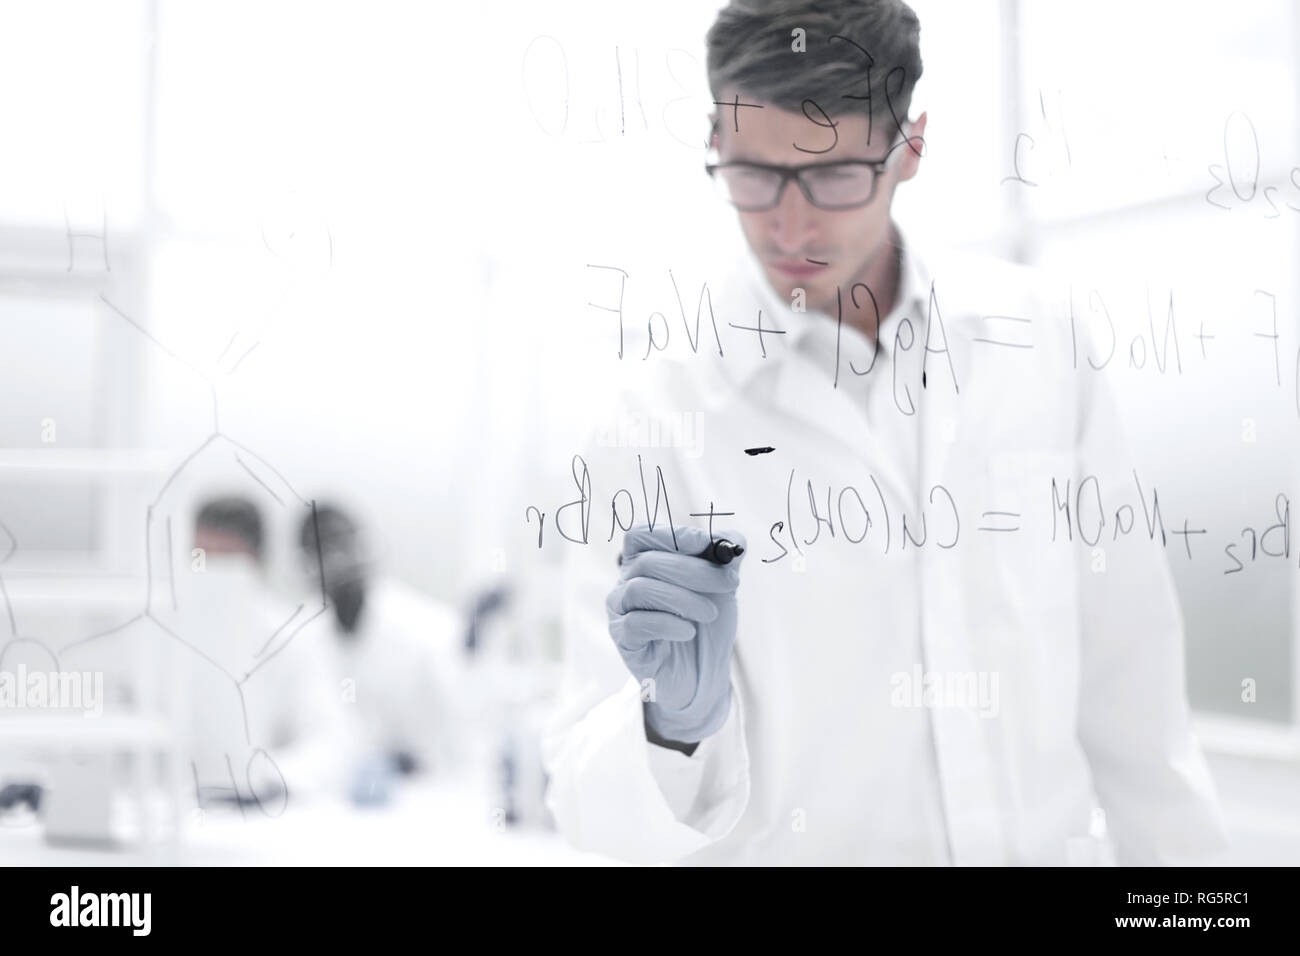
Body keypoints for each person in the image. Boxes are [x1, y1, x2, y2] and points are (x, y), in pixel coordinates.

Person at [540, 0, 1229, 865]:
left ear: (910, 148)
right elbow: (585, 808)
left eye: (832, 176)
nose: (788, 227)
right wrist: (672, 728)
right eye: (753, 173)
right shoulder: (655, 419)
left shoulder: (1039, 343)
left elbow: (1136, 701)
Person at [293, 504, 465, 796]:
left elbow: (460, 737)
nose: (334, 562)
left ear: (362, 546)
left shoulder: (424, 628)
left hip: (424, 795)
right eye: (319, 552)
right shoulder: (302, 638)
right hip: (331, 800)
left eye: (340, 546)